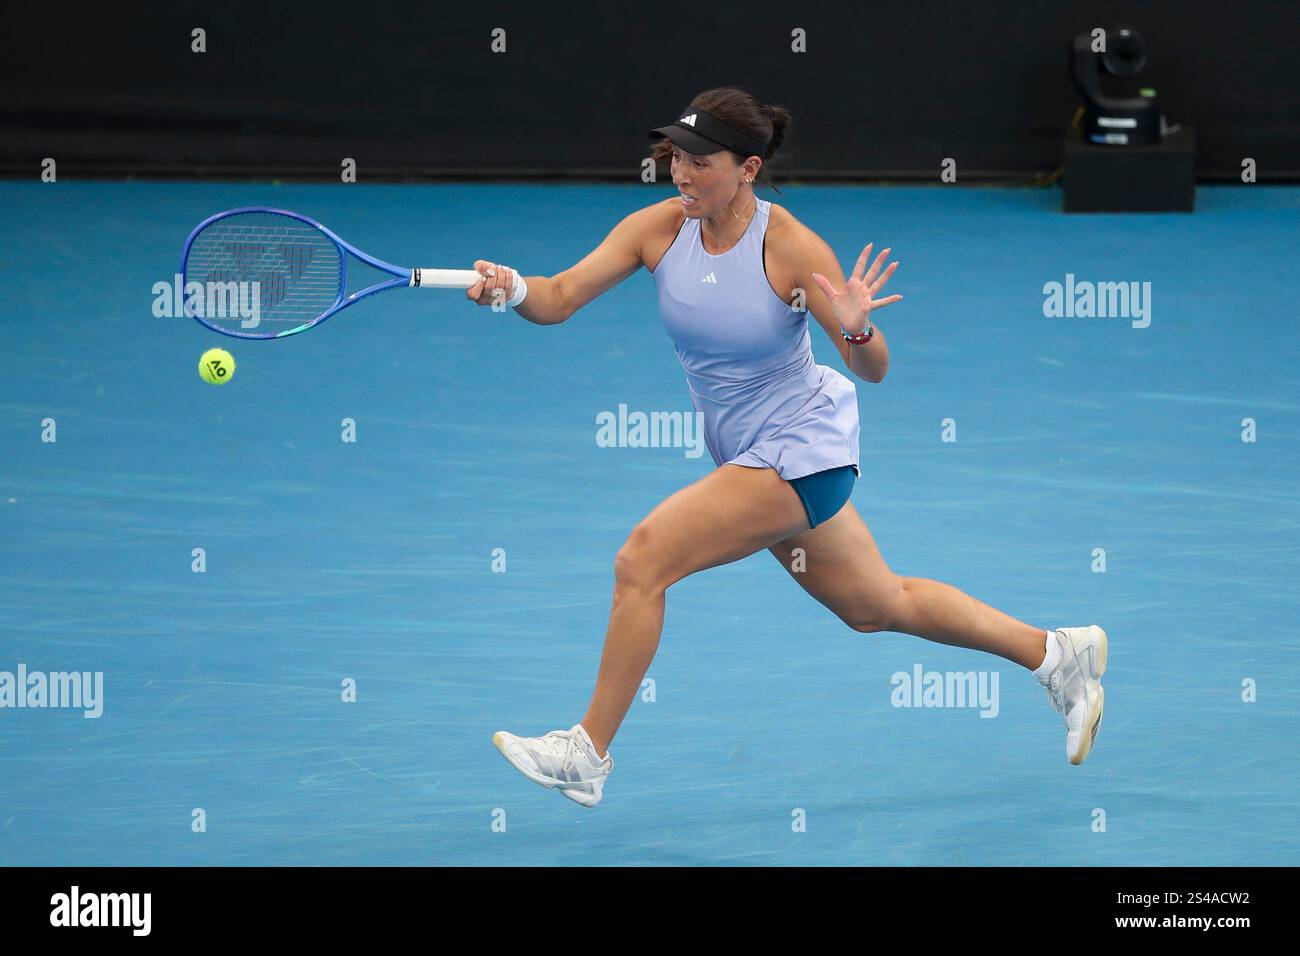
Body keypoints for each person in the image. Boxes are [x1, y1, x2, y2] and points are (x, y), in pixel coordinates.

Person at [470, 87, 1107, 807]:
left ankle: (586, 753)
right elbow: (556, 298)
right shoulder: (658, 229)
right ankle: (1057, 654)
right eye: (676, 156)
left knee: (642, 560)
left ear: (747, 167)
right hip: (751, 457)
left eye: (700, 161)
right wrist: (510, 288)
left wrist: (857, 327)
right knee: (877, 604)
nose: (680, 173)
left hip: (801, 450)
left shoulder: (792, 248)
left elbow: (874, 367)